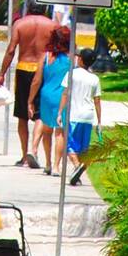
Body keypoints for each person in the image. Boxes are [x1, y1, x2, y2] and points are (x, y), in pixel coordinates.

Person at [0, 0, 55, 168]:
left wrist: (1, 74)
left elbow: (11, 50)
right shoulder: (52, 26)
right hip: (42, 71)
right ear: (45, 8)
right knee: (40, 114)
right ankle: (34, 150)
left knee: (22, 115)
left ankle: (23, 156)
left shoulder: (20, 24)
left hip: (23, 70)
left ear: (28, 7)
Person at [28, 26, 72, 175]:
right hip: (62, 97)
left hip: (46, 95)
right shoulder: (71, 59)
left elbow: (36, 80)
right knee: (60, 132)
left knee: (47, 131)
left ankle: (47, 163)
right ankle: (56, 166)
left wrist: (30, 100)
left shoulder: (45, 56)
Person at [65, 47, 102, 184]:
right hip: (88, 117)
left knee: (69, 145)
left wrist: (59, 111)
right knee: (83, 148)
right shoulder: (95, 79)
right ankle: (78, 172)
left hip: (74, 115)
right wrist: (99, 121)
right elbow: (97, 101)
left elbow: (65, 93)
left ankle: (77, 166)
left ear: (80, 59)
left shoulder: (71, 74)